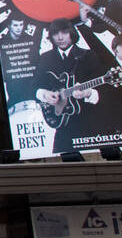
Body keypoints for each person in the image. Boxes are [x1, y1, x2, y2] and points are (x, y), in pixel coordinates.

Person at [35, 17, 104, 153]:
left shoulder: (89, 56)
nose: (60, 37)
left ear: (72, 33)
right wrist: (45, 94)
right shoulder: (45, 58)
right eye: (55, 33)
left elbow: (106, 89)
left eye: (64, 32)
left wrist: (89, 93)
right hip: (63, 127)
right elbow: (34, 86)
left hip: (91, 124)